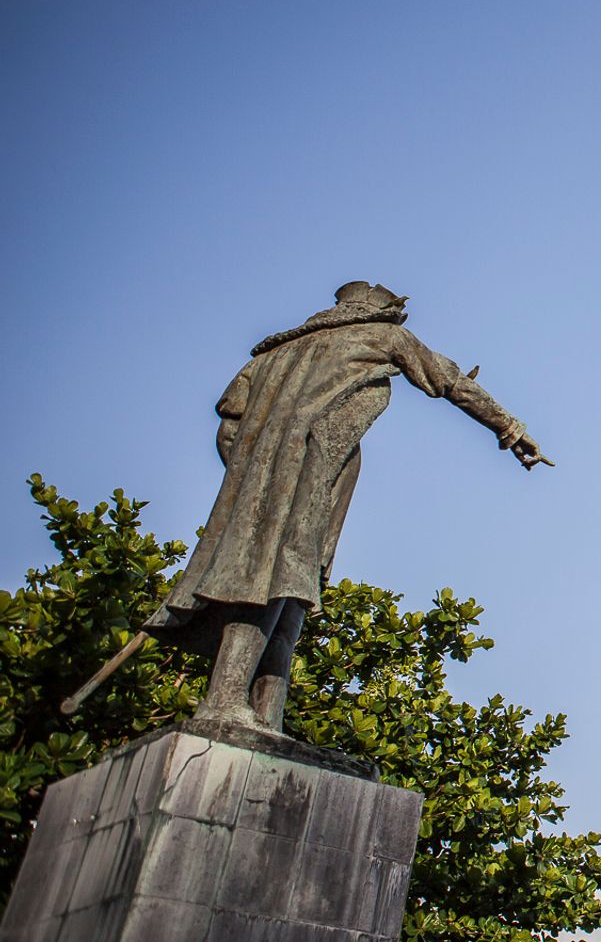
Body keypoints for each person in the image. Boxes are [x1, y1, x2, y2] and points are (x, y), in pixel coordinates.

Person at [141, 281, 551, 732]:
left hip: (284, 480)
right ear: (382, 311)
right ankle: (223, 701)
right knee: (271, 578)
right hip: (307, 474)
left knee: (294, 588)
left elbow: (229, 427)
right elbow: (448, 380)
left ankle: (266, 716)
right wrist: (510, 428)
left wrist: (257, 473)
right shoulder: (382, 335)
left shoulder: (269, 356)